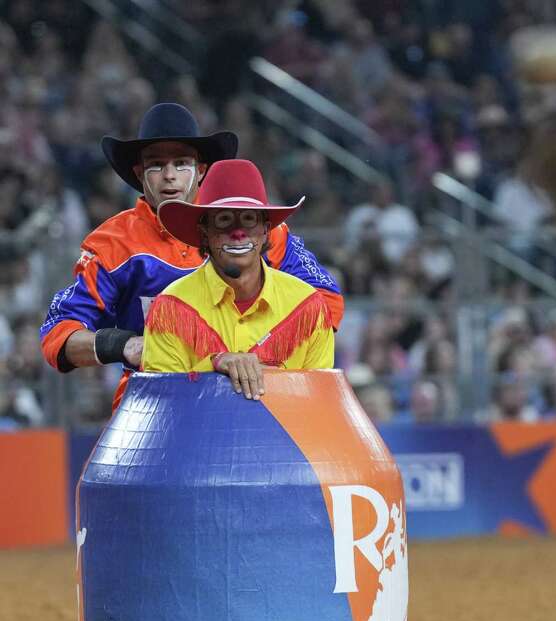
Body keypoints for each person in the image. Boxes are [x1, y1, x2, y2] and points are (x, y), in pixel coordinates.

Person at [39, 103, 344, 407]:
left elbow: (325, 304)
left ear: (201, 171)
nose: (169, 176)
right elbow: (58, 334)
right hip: (153, 406)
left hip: (262, 403)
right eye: (156, 165)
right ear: (139, 173)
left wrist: (251, 360)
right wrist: (126, 345)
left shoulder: (259, 230)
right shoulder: (111, 245)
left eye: (181, 163)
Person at [142, 159, 333, 400]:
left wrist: (270, 382)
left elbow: (319, 404)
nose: (238, 232)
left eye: (248, 219)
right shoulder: (169, 308)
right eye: (223, 220)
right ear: (204, 233)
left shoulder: (308, 306)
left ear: (266, 230)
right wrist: (215, 365)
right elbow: (165, 407)